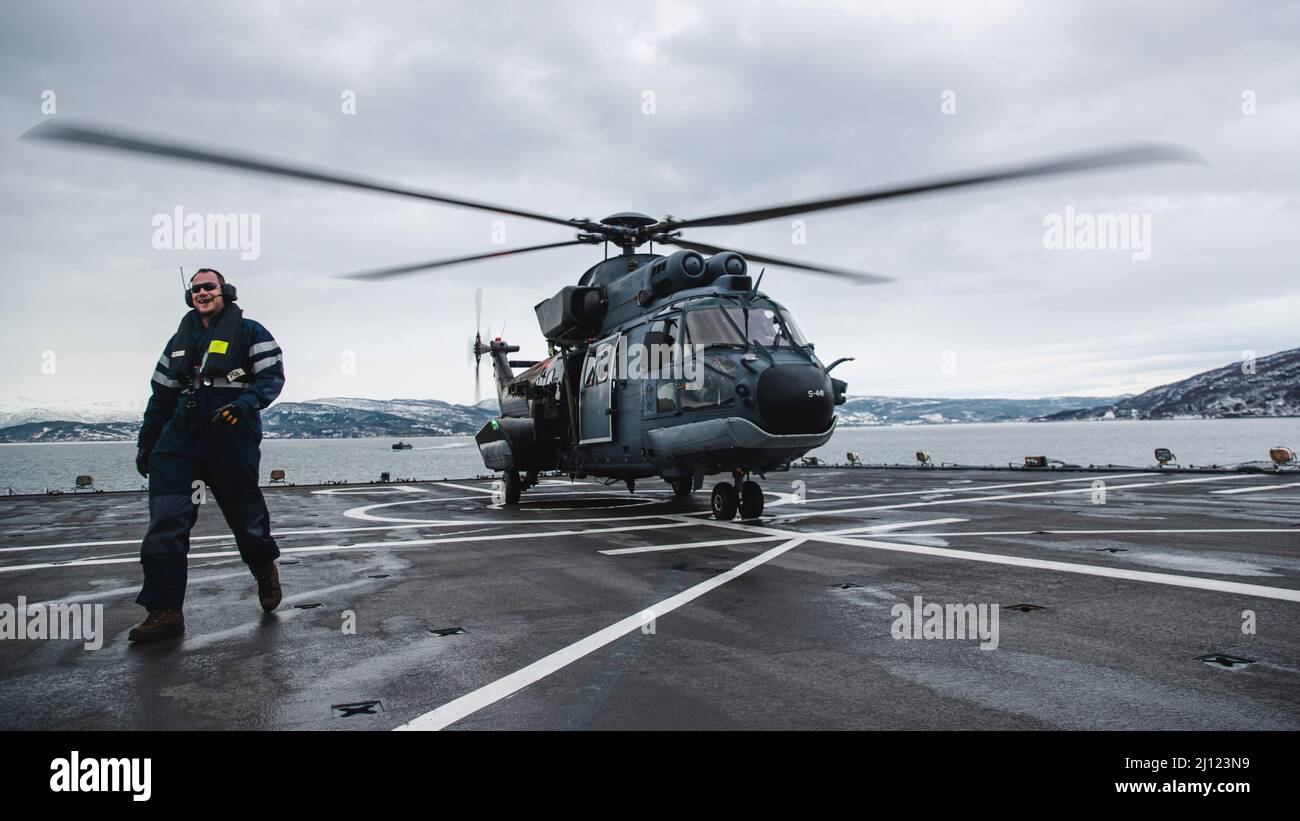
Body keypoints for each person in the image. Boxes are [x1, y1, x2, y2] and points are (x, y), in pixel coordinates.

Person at [128, 268, 286, 642]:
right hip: (179, 440)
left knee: (245, 516)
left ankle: (263, 565)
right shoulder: (178, 340)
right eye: (195, 288)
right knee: (166, 523)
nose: (201, 292)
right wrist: (148, 441)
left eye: (208, 287)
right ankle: (164, 611)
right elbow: (162, 394)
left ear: (225, 291)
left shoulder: (252, 332)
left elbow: (272, 377)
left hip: (230, 436)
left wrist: (245, 404)